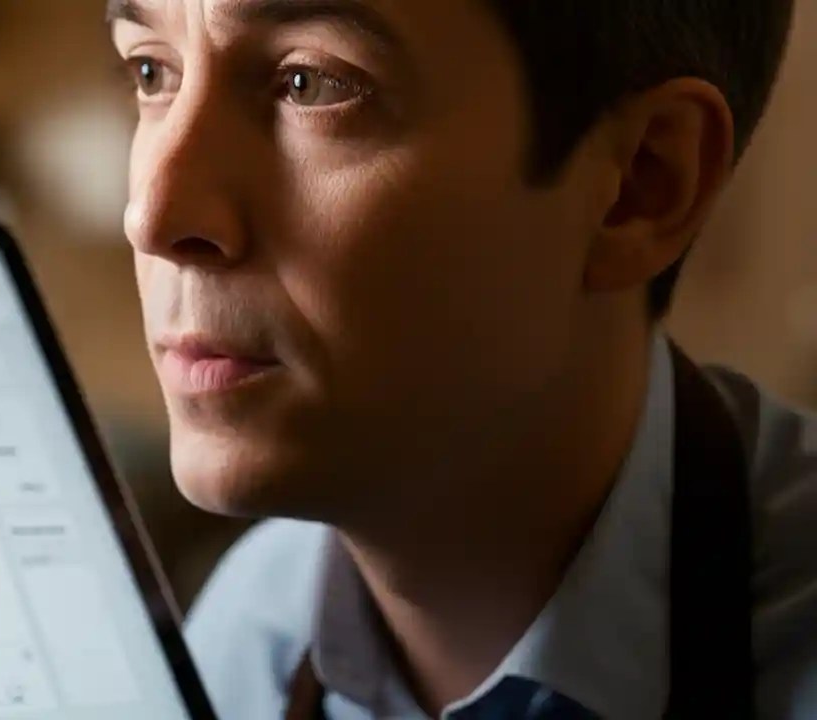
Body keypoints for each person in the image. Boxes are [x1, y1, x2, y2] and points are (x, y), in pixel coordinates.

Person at [107, 0, 810, 718]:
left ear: (639, 184)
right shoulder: (252, 632)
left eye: (309, 84)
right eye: (152, 70)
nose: (153, 215)